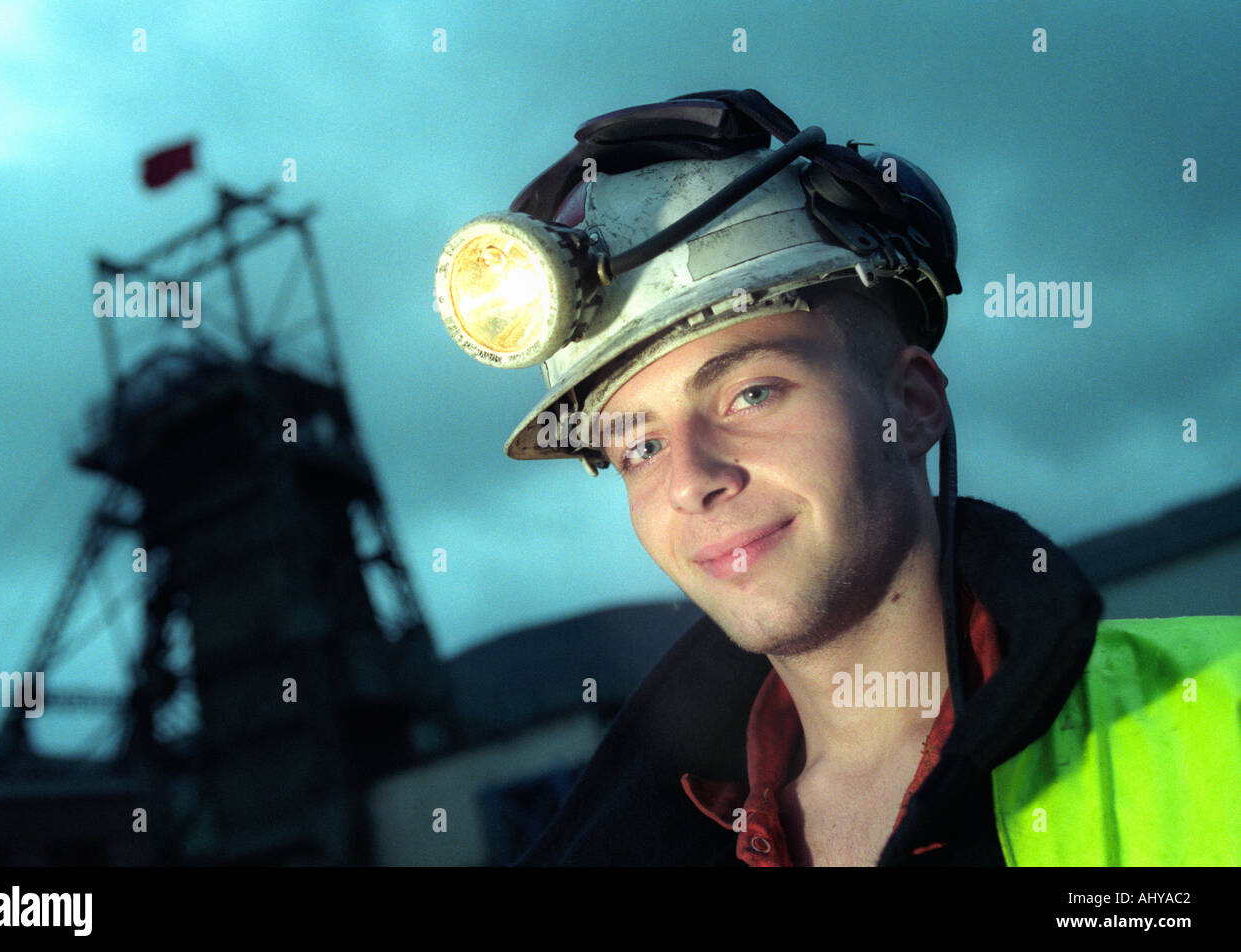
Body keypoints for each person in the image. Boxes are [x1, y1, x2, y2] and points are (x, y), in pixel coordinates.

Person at [432, 89, 1241, 866]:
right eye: (637, 447)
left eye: (751, 393)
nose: (693, 480)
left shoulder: (1220, 715)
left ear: (914, 404)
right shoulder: (626, 844)